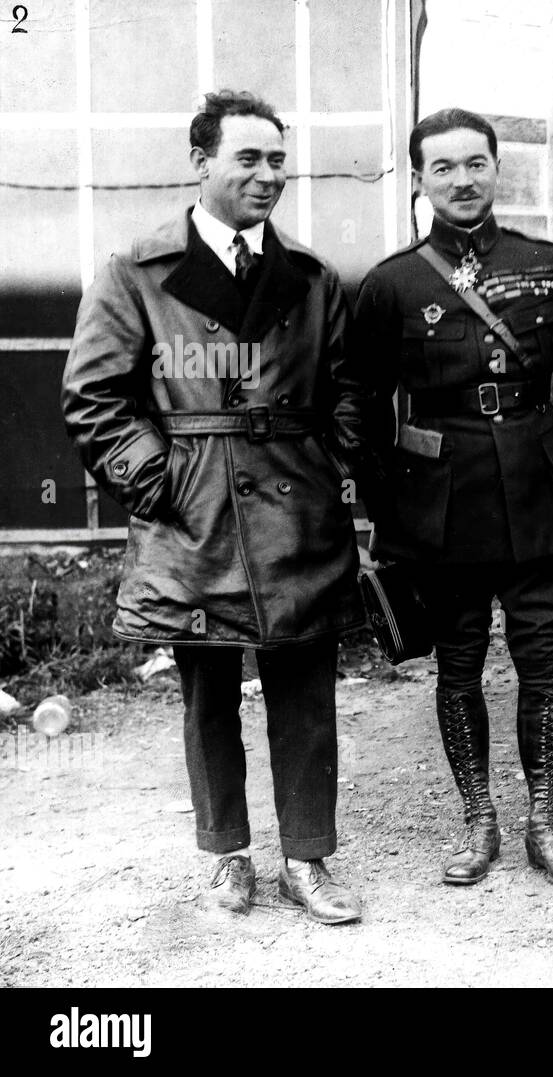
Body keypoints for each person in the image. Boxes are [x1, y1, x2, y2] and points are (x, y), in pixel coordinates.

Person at [62, 90, 366, 924]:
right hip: (193, 521)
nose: (270, 175)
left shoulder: (309, 277)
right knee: (208, 698)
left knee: (305, 693)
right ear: (201, 164)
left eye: (278, 159)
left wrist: (326, 464)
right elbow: (94, 396)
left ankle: (308, 859)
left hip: (295, 513)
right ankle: (228, 855)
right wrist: (161, 483)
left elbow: (344, 391)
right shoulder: (137, 271)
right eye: (249, 159)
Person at [352, 109, 553, 892]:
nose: (462, 180)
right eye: (444, 168)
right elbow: (363, 405)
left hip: (537, 486)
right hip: (441, 497)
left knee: (542, 658)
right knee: (458, 663)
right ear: (420, 179)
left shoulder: (547, 264)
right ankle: (478, 818)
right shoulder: (393, 283)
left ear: (497, 170)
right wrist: (380, 509)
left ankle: (544, 820)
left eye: (476, 164)